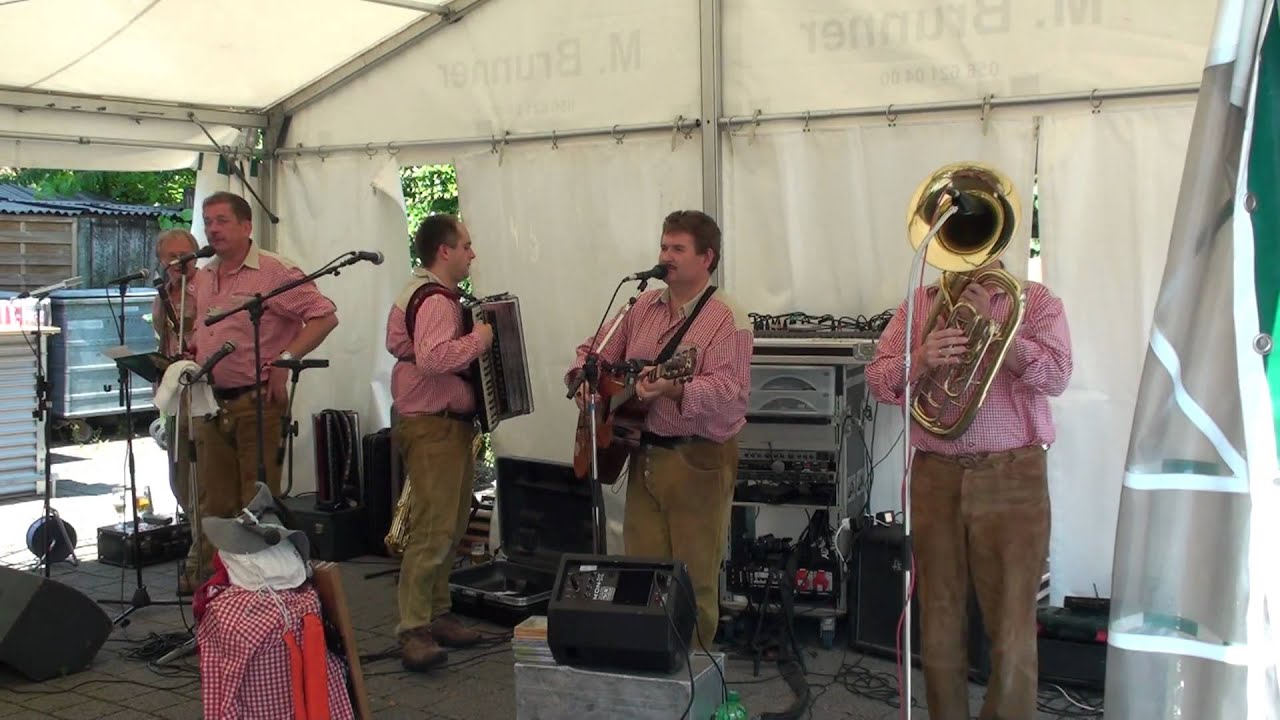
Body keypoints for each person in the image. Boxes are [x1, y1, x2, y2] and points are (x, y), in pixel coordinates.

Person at [865, 262, 1072, 720]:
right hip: (936, 474)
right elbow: (879, 380)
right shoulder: (920, 304)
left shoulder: (1033, 301)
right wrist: (919, 360)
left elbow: (1057, 375)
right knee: (938, 617)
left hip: (1013, 476)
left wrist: (997, 331)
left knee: (1013, 622)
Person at [564, 209, 752, 649]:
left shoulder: (728, 318)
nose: (665, 256)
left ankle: (696, 673)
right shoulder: (642, 305)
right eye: (664, 246)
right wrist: (584, 380)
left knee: (694, 577)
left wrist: (677, 391)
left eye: (677, 249)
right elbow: (594, 350)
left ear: (707, 257)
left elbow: (731, 389)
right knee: (642, 571)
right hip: (643, 450)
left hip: (698, 458)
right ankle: (650, 664)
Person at [188, 191, 339, 586]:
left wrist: (284, 361)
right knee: (214, 503)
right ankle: (218, 587)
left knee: (254, 502)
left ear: (246, 226)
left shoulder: (273, 272)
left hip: (256, 402)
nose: (213, 229)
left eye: (222, 220)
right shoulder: (204, 276)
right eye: (208, 221)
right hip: (210, 402)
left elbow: (324, 317)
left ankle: (260, 586)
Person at [384, 214, 493, 671]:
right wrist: (481, 340)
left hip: (443, 424)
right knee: (433, 528)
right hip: (433, 425)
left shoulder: (427, 294)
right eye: (466, 245)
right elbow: (431, 359)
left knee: (449, 524)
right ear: (444, 251)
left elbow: (407, 349)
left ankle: (437, 612)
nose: (472, 253)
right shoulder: (435, 301)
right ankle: (414, 628)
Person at [150, 228, 202, 594]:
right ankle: (196, 551)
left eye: (185, 255)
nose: (179, 263)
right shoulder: (162, 296)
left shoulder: (208, 287)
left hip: (203, 394)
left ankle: (200, 565)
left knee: (204, 483)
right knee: (179, 479)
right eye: (172, 257)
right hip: (175, 398)